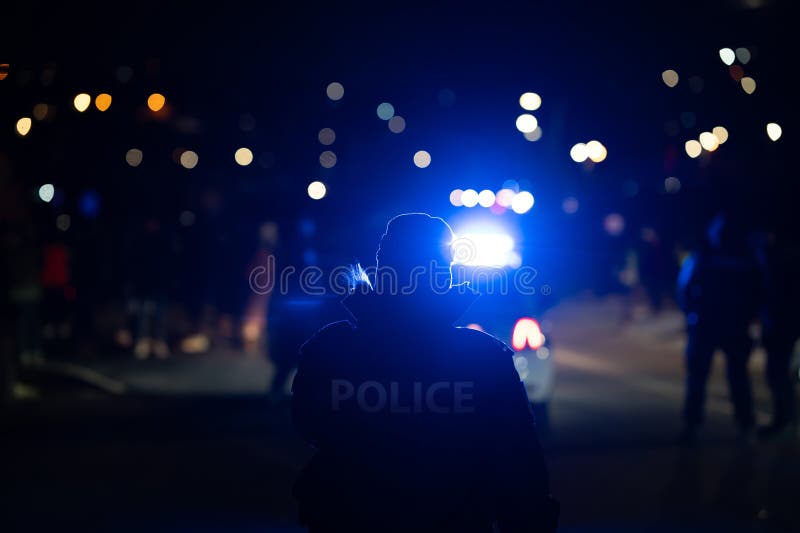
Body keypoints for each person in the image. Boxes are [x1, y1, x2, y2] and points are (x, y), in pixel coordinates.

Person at [291, 213, 558, 532]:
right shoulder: (483, 357)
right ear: (446, 277)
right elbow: (518, 463)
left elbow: (308, 425)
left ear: (381, 273)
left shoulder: (331, 349)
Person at [676, 214, 760, 442]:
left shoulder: (704, 256)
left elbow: (684, 289)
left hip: (708, 325)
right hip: (731, 325)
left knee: (701, 378)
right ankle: (745, 425)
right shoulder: (745, 258)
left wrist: (691, 315)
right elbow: (759, 290)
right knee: (736, 377)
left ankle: (693, 426)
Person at [757, 230, 799, 439]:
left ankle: (784, 420)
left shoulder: (777, 263)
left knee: (778, 373)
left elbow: (772, 297)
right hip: (784, 325)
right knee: (782, 373)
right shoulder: (784, 261)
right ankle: (786, 419)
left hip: (781, 326)